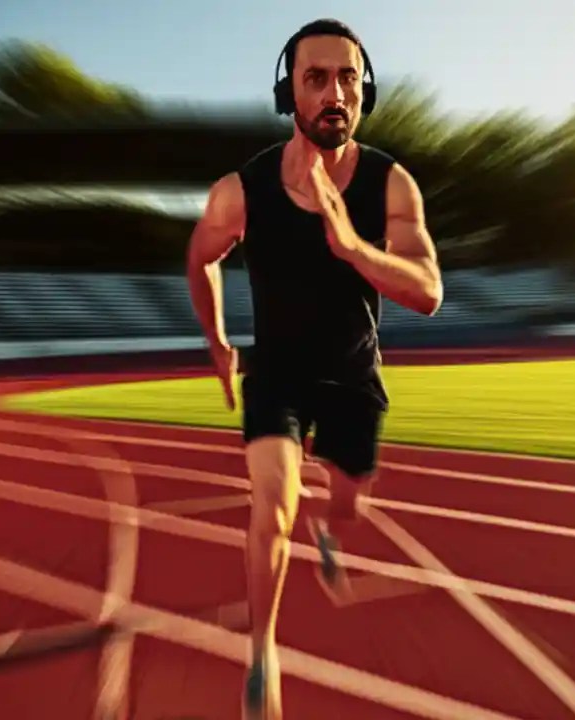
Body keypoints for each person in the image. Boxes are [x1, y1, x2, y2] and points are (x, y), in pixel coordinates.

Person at [185, 17, 442, 719]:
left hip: (354, 375)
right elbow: (199, 258)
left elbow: (427, 292)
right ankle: (262, 652)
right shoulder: (242, 191)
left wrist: (353, 245)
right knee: (272, 505)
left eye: (349, 78)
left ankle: (333, 528)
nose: (336, 93)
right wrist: (216, 340)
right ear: (287, 92)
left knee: (348, 498)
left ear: (366, 92)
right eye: (316, 78)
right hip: (277, 376)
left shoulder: (393, 184)